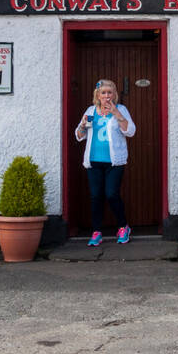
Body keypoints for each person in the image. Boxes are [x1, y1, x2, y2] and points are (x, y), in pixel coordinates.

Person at [74, 79, 136, 245]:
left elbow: (130, 131)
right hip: (93, 161)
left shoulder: (121, 109)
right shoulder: (91, 110)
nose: (106, 96)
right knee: (95, 197)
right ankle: (96, 232)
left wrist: (116, 114)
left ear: (114, 94)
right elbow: (79, 135)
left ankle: (123, 227)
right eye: (103, 93)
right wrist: (82, 126)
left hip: (114, 162)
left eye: (110, 92)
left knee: (111, 194)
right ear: (98, 95)